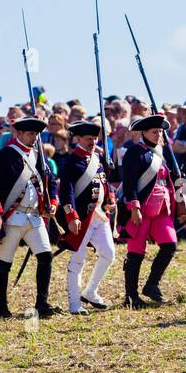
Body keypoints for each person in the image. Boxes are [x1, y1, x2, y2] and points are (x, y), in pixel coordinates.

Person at [0, 116, 59, 319]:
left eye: (36, 134)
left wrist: (53, 203)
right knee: (4, 263)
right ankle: (1, 309)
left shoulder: (38, 156)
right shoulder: (6, 155)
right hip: (12, 217)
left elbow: (50, 182)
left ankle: (41, 304)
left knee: (45, 256)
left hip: (34, 217)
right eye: (30, 133)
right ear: (18, 133)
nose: (34, 138)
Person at [119, 114, 182, 309]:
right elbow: (129, 184)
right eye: (154, 132)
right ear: (144, 132)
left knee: (170, 245)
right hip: (142, 210)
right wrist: (134, 207)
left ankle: (152, 285)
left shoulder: (163, 153)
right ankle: (131, 296)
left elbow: (171, 180)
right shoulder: (134, 153)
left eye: (160, 132)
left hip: (162, 209)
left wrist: (180, 200)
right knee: (136, 253)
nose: (158, 135)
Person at [57, 121, 117, 313]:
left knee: (108, 254)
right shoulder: (72, 161)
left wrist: (110, 198)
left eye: (95, 138)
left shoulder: (98, 159)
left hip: (99, 214)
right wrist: (71, 216)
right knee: (77, 261)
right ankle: (75, 304)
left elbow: (104, 183)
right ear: (79, 139)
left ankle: (91, 291)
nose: (93, 142)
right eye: (89, 139)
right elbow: (67, 191)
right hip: (81, 217)